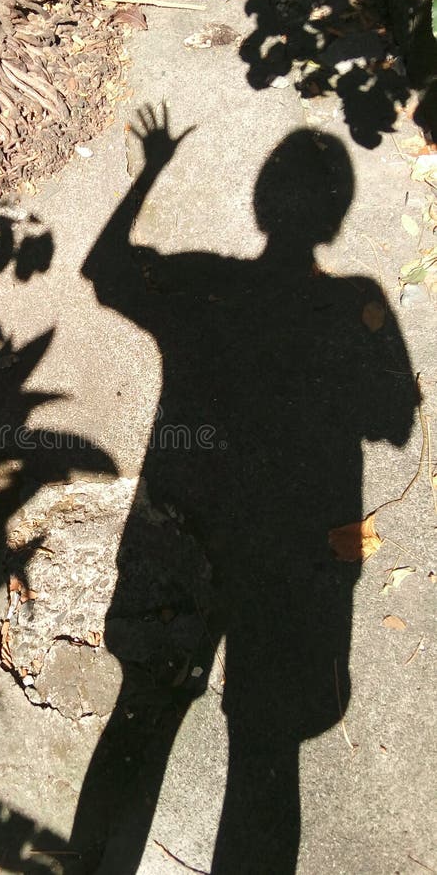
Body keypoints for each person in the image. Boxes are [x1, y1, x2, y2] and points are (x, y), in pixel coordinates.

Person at [66, 105, 417, 873]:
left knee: (138, 711)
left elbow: (100, 269)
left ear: (257, 205)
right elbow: (395, 424)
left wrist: (151, 173)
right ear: (336, 218)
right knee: (267, 744)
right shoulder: (351, 295)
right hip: (290, 551)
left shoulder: (197, 281)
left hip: (180, 527)